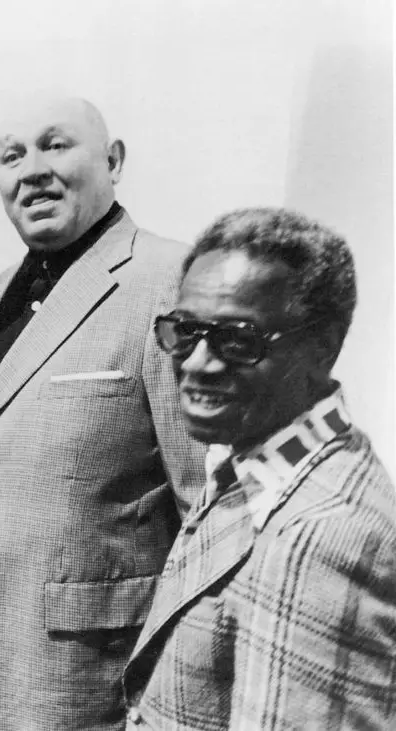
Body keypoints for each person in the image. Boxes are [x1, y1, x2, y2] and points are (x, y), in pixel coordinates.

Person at [0, 95, 205, 730]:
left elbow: (210, 512)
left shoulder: (173, 279)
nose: (32, 171)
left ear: (115, 160)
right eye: (12, 156)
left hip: (90, 689)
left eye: (56, 145)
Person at [122, 207, 396, 729]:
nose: (198, 363)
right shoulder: (254, 462)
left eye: (238, 340)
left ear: (323, 348)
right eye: (185, 332)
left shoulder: (324, 537)